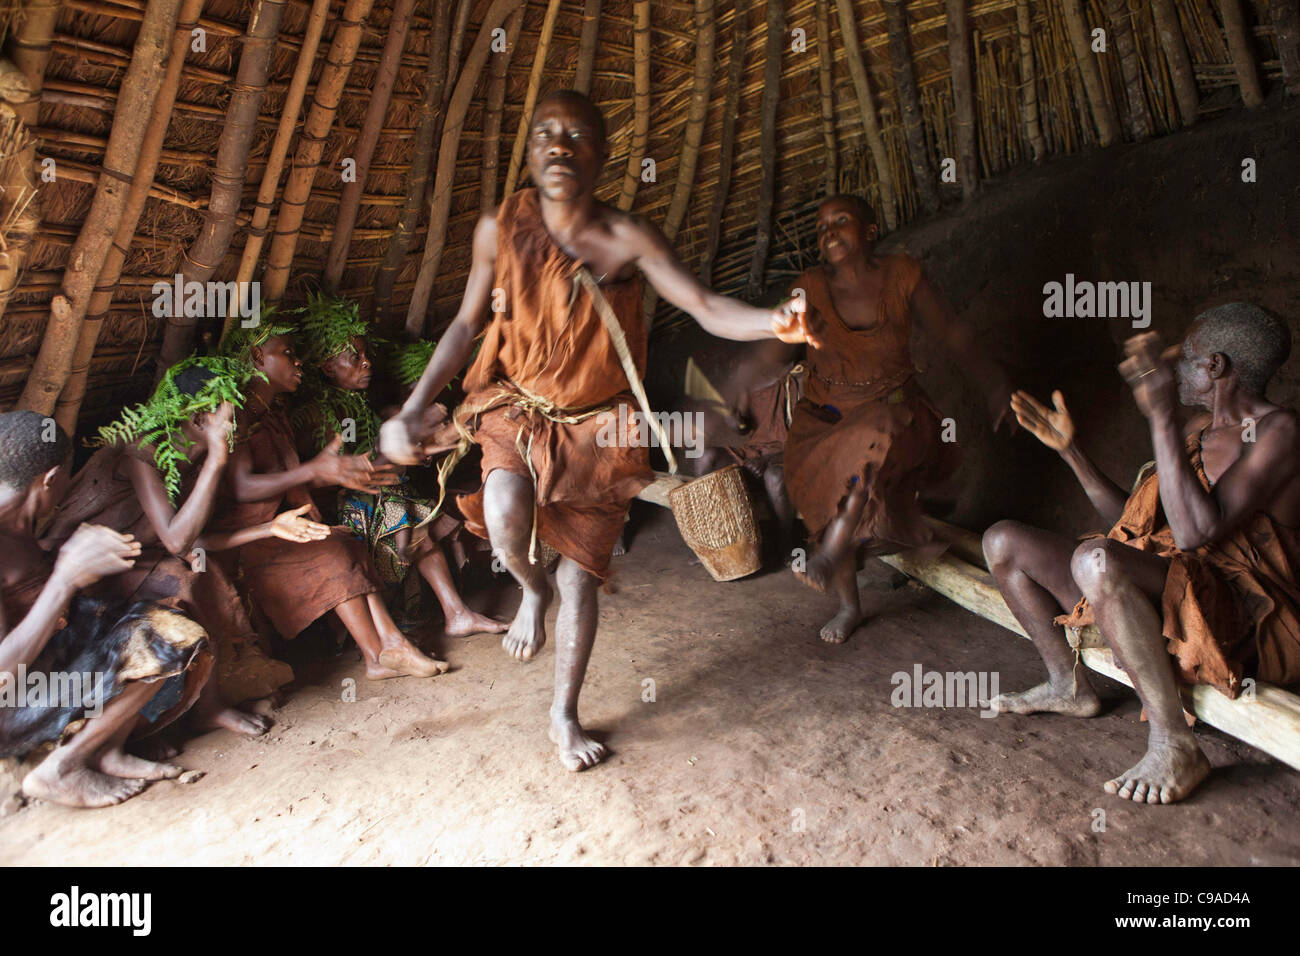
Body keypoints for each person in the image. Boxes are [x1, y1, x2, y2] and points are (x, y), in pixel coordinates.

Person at [379, 89, 819, 772]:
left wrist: (772, 323)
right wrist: (413, 406)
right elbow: (467, 325)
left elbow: (703, 305)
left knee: (583, 575)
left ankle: (563, 714)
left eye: (577, 135)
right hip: (517, 406)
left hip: (600, 428)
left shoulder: (628, 239)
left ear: (602, 154)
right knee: (503, 516)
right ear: (529, 150)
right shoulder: (501, 228)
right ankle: (530, 589)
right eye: (546, 133)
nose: (559, 146)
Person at [983, 303, 1300, 804]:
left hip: (1243, 619)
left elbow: (1196, 533)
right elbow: (1133, 525)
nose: (1170, 370)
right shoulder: (1196, 428)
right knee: (1002, 541)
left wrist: (1159, 420)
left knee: (1095, 560)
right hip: (1173, 587)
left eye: (1184, 357)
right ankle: (1068, 685)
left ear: (1215, 366)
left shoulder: (1279, 432)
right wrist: (1071, 451)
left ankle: (1175, 743)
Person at [784, 194, 1013, 643]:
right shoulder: (809, 286)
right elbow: (778, 341)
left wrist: (994, 383)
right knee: (832, 489)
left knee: (870, 443)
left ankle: (835, 549)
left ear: (870, 231)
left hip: (897, 418)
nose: (828, 231)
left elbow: (951, 331)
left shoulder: (903, 275)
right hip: (827, 422)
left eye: (841, 221)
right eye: (821, 226)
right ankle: (850, 606)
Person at [45, 356, 300, 731]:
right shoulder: (143, 453)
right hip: (88, 573)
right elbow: (177, 538)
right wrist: (216, 460)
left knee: (201, 573)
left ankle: (206, 705)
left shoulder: (190, 455)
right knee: (184, 582)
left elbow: (192, 539)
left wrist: (270, 528)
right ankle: (176, 718)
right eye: (230, 417)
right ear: (199, 421)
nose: (238, 425)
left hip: (139, 559)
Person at [0, 411, 209, 807]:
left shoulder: (18, 526)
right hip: (11, 709)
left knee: (149, 613)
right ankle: (60, 769)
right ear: (50, 478)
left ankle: (106, 750)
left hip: (43, 675)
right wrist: (64, 577)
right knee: (164, 638)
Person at [217, 321, 447, 680]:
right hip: (254, 536)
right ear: (258, 356)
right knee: (335, 550)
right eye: (287, 353)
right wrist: (315, 471)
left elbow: (307, 473)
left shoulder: (272, 412)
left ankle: (386, 648)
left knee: (345, 542)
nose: (298, 363)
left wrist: (348, 470)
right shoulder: (236, 415)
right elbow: (244, 488)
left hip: (287, 524)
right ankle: (382, 652)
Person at [294, 295, 506, 637]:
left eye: (366, 356)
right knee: (397, 498)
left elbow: (377, 455)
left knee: (401, 497)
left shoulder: (360, 404)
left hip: (375, 493)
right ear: (327, 367)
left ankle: (455, 613)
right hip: (339, 506)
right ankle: (429, 613)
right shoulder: (319, 413)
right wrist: (403, 455)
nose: (366, 364)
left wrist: (419, 448)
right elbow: (334, 476)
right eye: (354, 358)